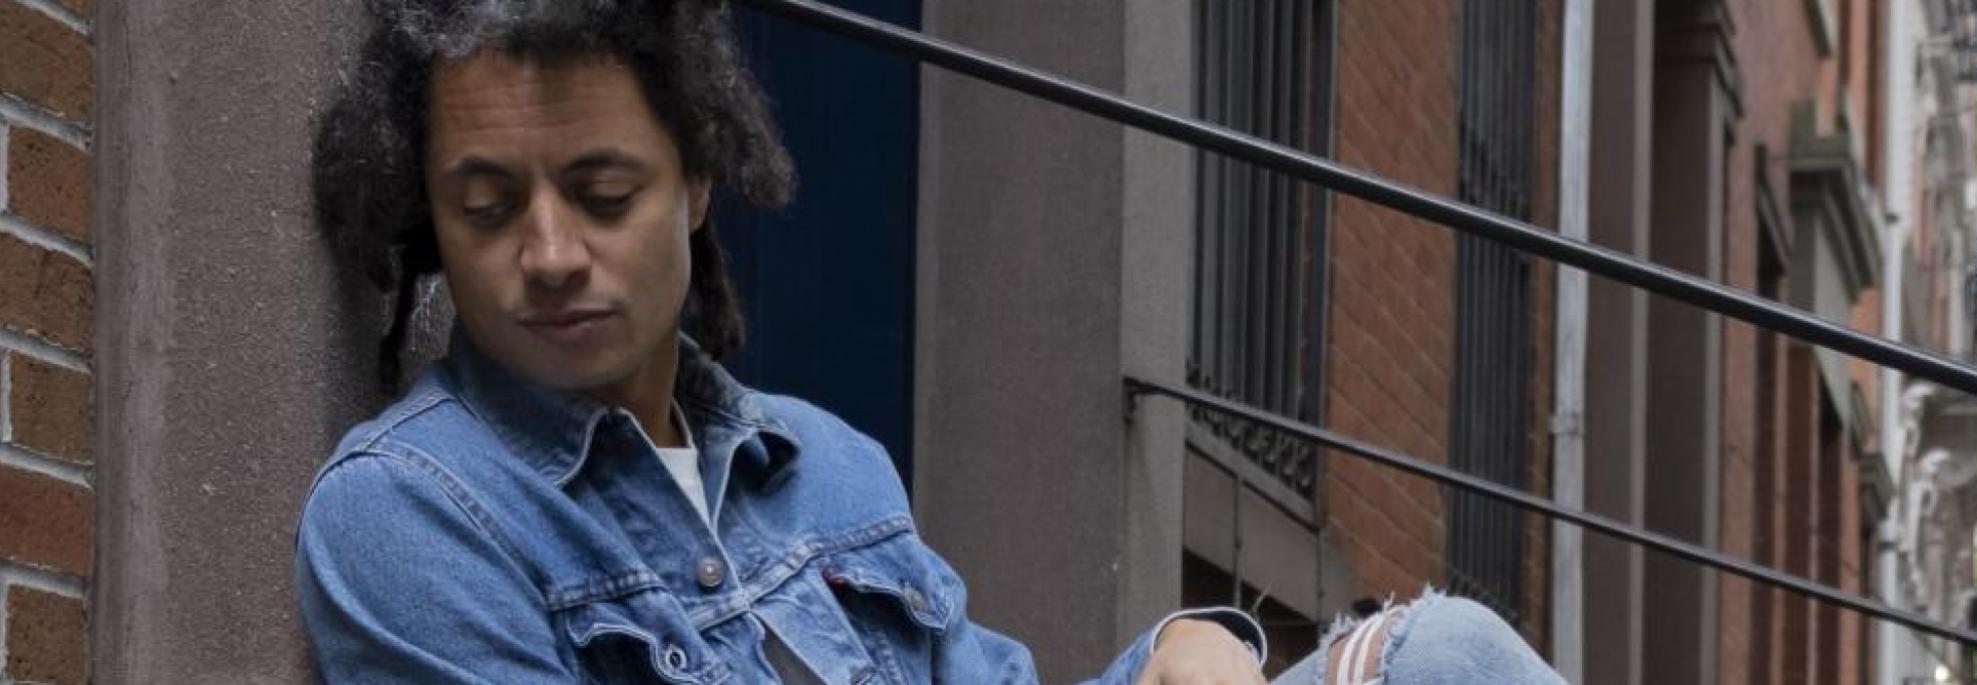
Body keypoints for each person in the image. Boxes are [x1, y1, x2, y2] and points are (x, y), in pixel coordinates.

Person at [297, 2, 1569, 684]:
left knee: (1438, 657)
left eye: (604, 193)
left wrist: (1185, 651)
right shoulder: (411, 511)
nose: (551, 251)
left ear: (697, 185)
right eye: (486, 207)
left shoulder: (826, 468)